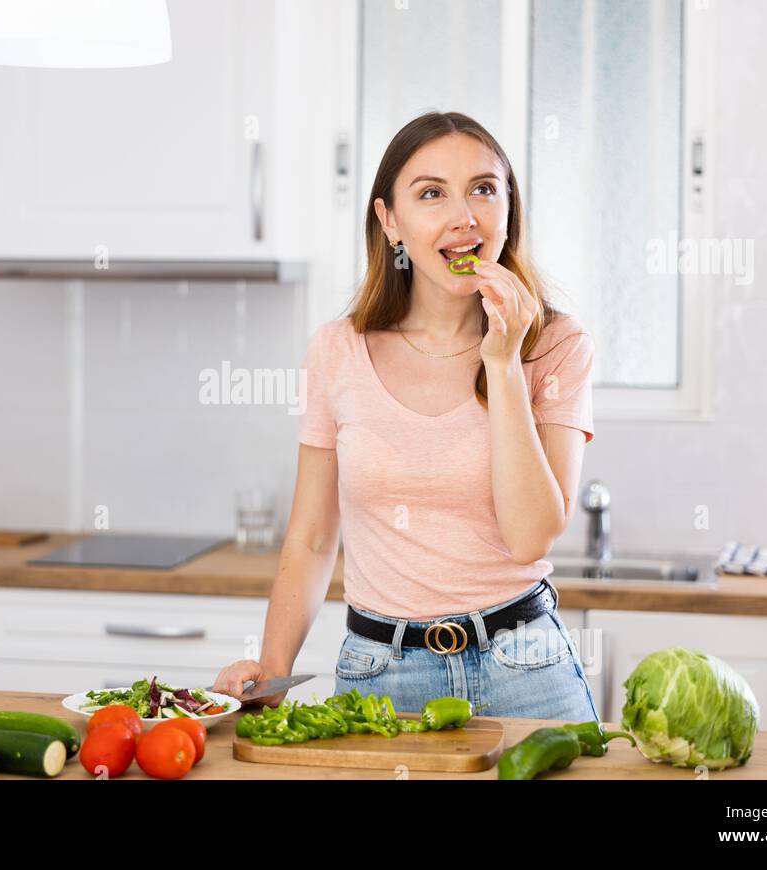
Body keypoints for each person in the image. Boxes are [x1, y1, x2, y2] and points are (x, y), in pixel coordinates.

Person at [213, 111, 599, 721]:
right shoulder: (337, 351)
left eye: (483, 188)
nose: (463, 216)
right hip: (382, 675)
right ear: (389, 221)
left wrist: (502, 366)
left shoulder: (554, 345)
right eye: (430, 194)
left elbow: (529, 537)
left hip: (528, 668)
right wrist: (272, 670)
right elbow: (313, 536)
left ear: (508, 208)